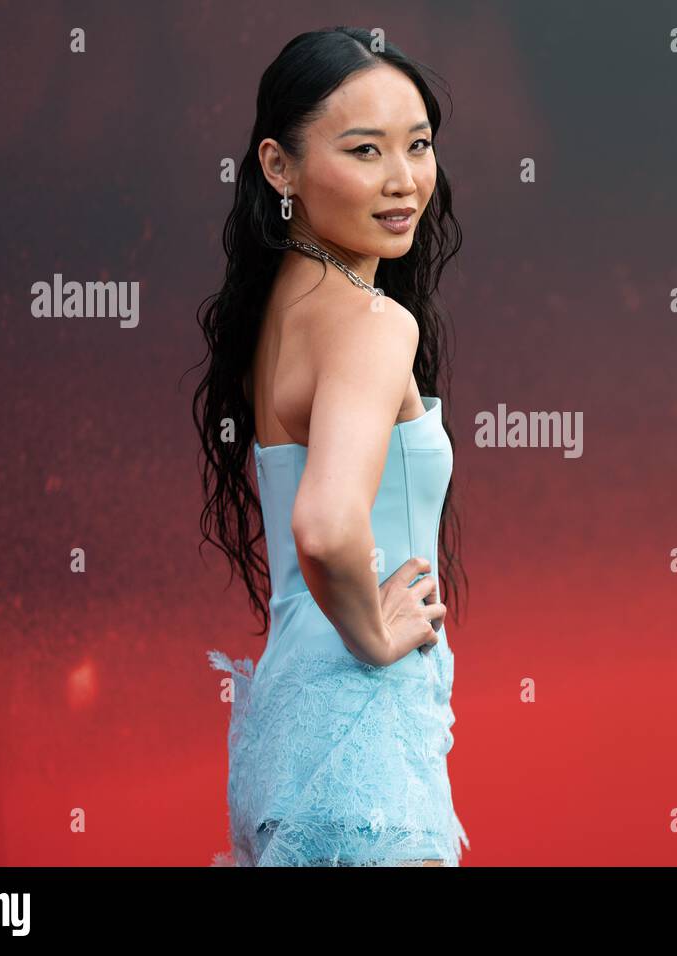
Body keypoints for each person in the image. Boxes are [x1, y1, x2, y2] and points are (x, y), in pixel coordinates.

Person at [191, 28, 470, 866]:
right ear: (279, 167)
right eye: (364, 150)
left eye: (417, 146)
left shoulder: (280, 310)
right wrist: (378, 638)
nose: (403, 181)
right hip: (363, 742)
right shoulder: (371, 323)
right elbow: (324, 522)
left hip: (288, 732)